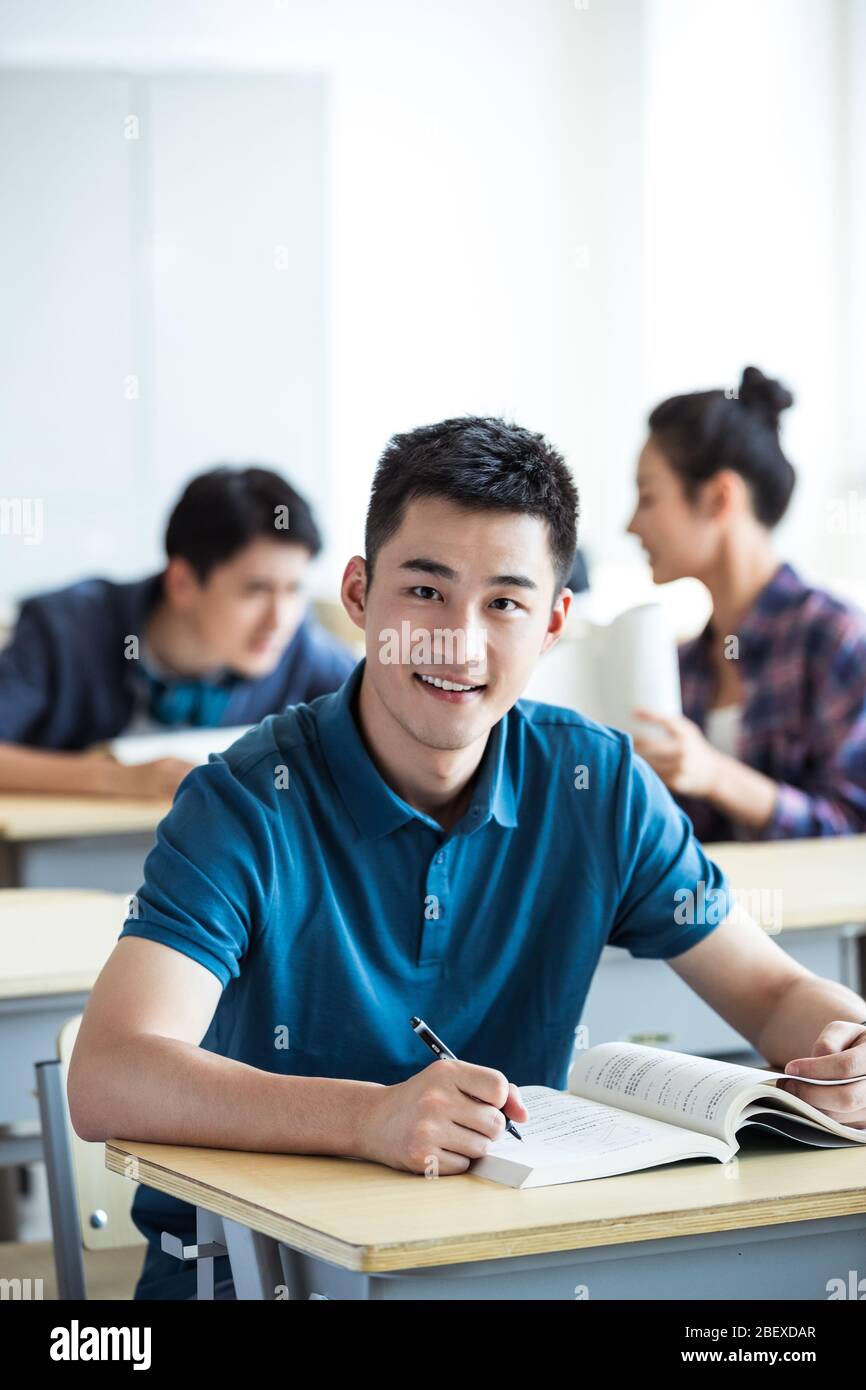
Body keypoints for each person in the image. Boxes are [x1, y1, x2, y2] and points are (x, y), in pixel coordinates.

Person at [67, 416, 866, 1300]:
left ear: (555, 621)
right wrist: (371, 1116)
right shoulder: (247, 801)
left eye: (506, 603)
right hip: (258, 1275)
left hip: (503, 1266)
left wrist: (848, 1041)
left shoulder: (596, 783)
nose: (460, 642)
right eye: (425, 591)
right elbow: (110, 1075)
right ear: (361, 595)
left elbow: (775, 993)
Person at [0, 466, 357, 798]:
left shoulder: (297, 646)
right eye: (255, 590)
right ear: (182, 583)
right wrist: (118, 778)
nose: (278, 620)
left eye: (294, 589)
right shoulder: (64, 629)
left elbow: (383, 720)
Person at [626, 366, 866, 841]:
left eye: (648, 497)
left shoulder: (835, 639)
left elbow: (856, 827)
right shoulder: (685, 662)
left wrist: (716, 776)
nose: (632, 525)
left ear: (719, 498)